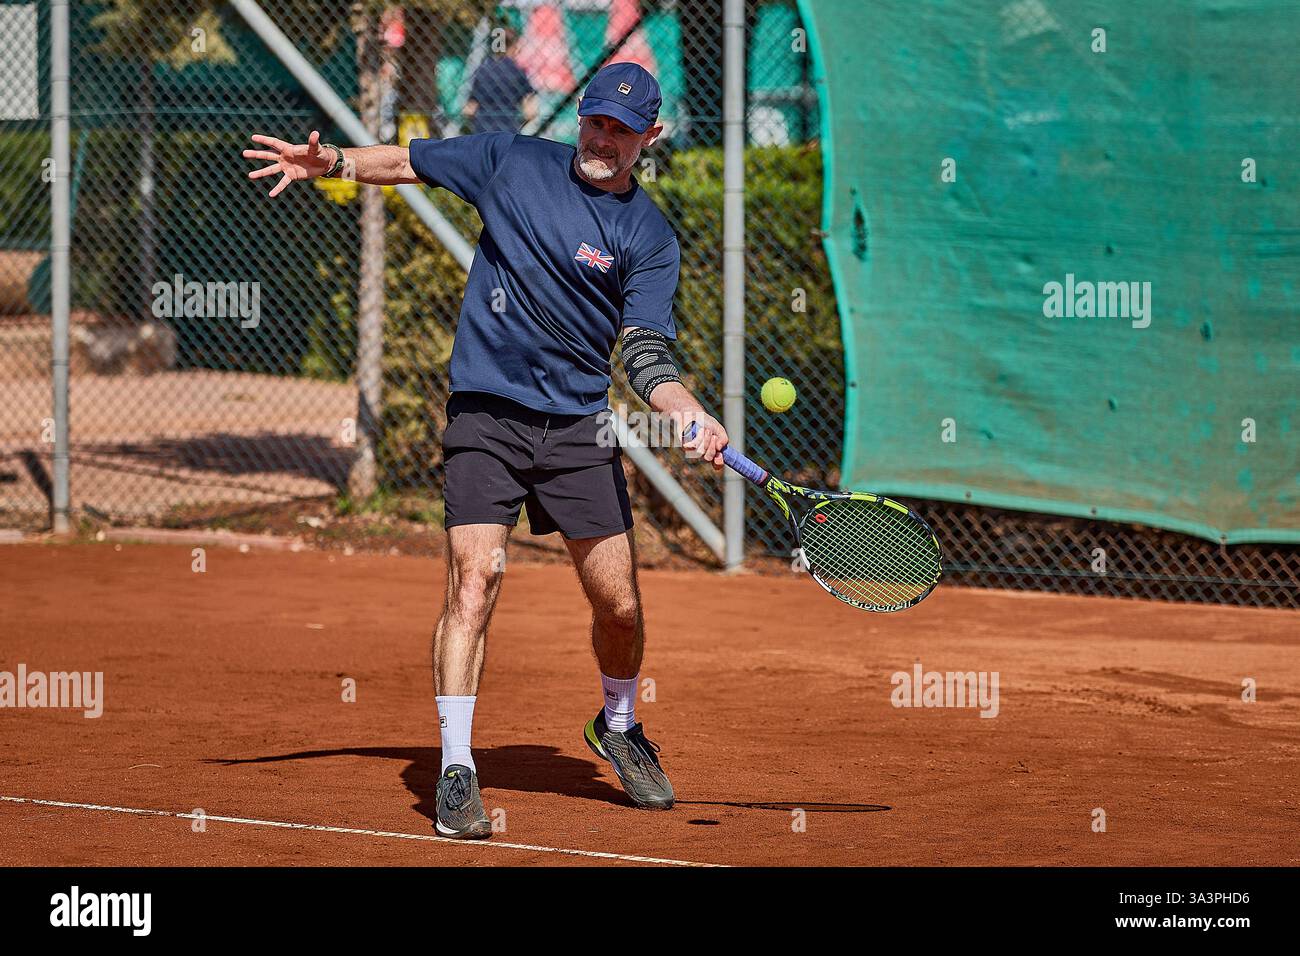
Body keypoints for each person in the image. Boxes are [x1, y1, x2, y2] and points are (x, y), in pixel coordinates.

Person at [242, 62, 728, 839]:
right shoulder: (512, 161)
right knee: (477, 578)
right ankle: (459, 767)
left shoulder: (648, 236)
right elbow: (408, 160)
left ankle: (619, 724)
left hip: (577, 428)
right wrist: (331, 162)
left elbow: (644, 352)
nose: (603, 138)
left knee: (621, 607)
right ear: (584, 117)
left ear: (651, 137)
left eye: (622, 130)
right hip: (485, 415)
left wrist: (686, 410)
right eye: (596, 121)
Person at [464, 27, 537, 134]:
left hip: (483, 132)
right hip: (508, 132)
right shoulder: (518, 72)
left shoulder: (482, 71)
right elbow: (530, 113)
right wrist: (518, 125)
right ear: (514, 45)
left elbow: (469, 110)